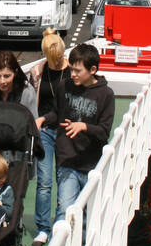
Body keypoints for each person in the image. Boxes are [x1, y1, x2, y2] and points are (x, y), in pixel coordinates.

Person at [44, 42, 115, 224]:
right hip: (67, 160)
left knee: (87, 217)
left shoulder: (106, 94)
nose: (73, 74)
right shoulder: (63, 87)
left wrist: (84, 126)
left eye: (77, 71)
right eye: (71, 70)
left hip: (91, 164)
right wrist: (42, 120)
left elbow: (104, 131)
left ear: (92, 70)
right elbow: (56, 113)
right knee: (64, 211)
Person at [28, 29, 70, 245]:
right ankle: (43, 227)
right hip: (44, 132)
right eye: (51, 60)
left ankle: (60, 223)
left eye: (58, 59)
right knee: (44, 182)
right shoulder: (39, 71)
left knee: (63, 179)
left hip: (64, 130)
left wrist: (43, 119)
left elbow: (66, 107)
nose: (55, 62)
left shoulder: (72, 72)